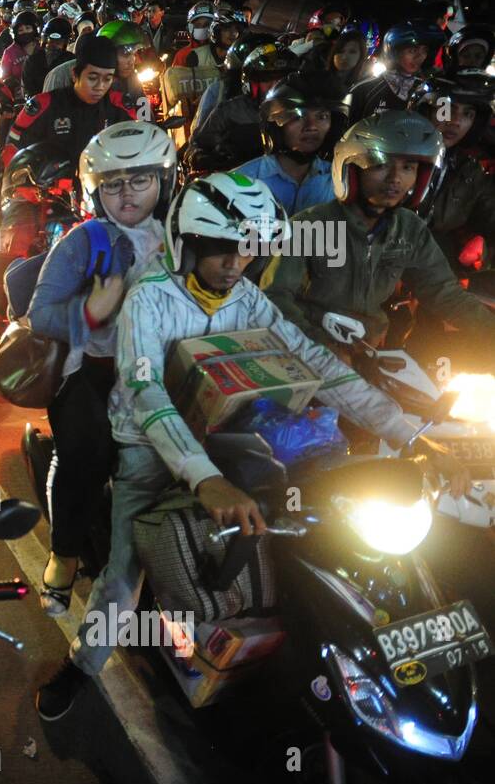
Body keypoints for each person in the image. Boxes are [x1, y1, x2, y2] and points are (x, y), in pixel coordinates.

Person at [35, 171, 465, 720]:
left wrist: (413, 436)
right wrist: (202, 475)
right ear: (187, 246)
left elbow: (321, 367)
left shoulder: (247, 298)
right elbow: (144, 390)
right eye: (221, 254)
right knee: (123, 574)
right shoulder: (149, 298)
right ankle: (82, 665)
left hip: (235, 435)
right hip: (149, 446)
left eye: (247, 253)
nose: (235, 267)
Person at [25, 121, 178, 615]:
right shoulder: (82, 241)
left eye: (140, 180)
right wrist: (91, 312)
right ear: (96, 190)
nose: (127, 193)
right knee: (84, 455)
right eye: (113, 183)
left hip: (160, 369)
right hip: (90, 371)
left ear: (164, 181)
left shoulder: (180, 236)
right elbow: (40, 314)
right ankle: (64, 553)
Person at [262, 110, 495, 349]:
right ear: (353, 169)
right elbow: (275, 297)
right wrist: (320, 346)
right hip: (307, 349)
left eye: (408, 167)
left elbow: (445, 294)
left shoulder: (409, 230)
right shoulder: (311, 225)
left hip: (369, 351)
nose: (395, 178)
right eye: (380, 165)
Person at [2, 33, 131, 175]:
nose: (100, 86)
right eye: (92, 78)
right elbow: (12, 149)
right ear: (75, 75)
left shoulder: (120, 107)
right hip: (53, 192)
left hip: (109, 191)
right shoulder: (44, 105)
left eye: (107, 79)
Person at [409, 70, 495, 269]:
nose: (455, 121)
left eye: (468, 114)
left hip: (430, 278)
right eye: (446, 109)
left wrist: (484, 247)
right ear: (426, 110)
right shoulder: (390, 156)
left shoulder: (472, 173)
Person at [235, 72, 343, 217]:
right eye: (298, 117)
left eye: (321, 117)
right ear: (276, 126)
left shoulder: (340, 181)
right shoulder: (242, 182)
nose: (311, 126)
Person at [187, 45, 300, 173]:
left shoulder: (305, 113)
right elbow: (196, 147)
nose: (275, 86)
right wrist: (203, 157)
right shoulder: (229, 111)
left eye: (282, 79)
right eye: (267, 79)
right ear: (252, 84)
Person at [346, 21, 444, 124]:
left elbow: (441, 128)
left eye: (424, 51)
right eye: (412, 50)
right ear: (395, 51)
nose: (419, 57)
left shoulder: (428, 91)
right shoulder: (364, 90)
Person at [22, 15, 73, 98]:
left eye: (58, 42)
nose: (53, 45)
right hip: (39, 104)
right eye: (51, 41)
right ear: (45, 40)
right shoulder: (32, 60)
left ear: (65, 42)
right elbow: (28, 89)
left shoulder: (71, 60)